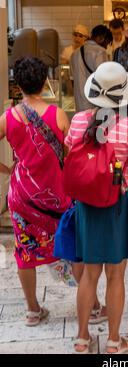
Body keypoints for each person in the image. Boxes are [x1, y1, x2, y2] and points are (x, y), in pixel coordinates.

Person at [66, 62, 128, 354]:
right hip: (117, 204)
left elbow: (71, 160)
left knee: (89, 273)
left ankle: (82, 338)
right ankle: (114, 341)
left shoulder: (78, 121)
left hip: (87, 204)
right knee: (115, 275)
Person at [0, 57, 71, 327]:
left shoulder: (8, 118)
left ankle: (32, 310)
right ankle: (94, 304)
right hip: (56, 195)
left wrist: (7, 169)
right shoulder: (58, 115)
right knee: (69, 246)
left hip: (22, 197)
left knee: (25, 251)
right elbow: (69, 154)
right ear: (45, 83)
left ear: (18, 85)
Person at [70, 24, 113, 112]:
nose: (106, 47)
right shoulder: (100, 52)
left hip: (79, 106)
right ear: (101, 38)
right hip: (95, 107)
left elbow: (72, 81)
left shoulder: (74, 54)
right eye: (107, 43)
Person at [60, 24, 89, 96]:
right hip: (69, 86)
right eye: (75, 35)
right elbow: (63, 70)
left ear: (85, 38)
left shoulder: (88, 52)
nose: (77, 38)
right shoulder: (67, 51)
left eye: (80, 36)